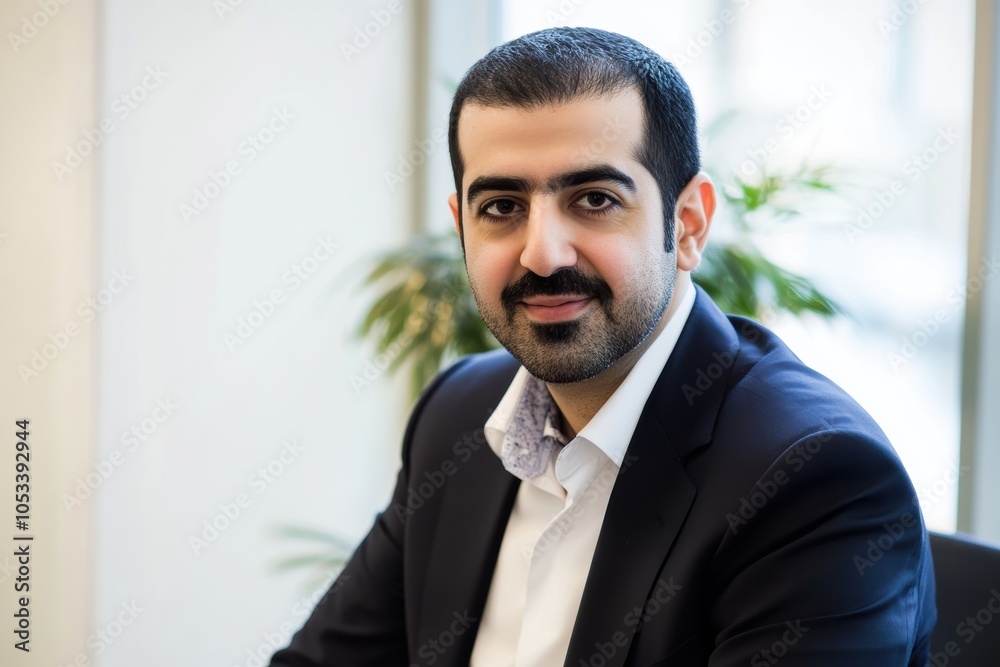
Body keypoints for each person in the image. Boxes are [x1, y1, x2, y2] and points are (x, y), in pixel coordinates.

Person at [269, 26, 936, 666]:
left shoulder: (814, 479)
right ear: (461, 227)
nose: (542, 252)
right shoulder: (457, 414)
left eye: (593, 198)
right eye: (502, 206)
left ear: (689, 223)